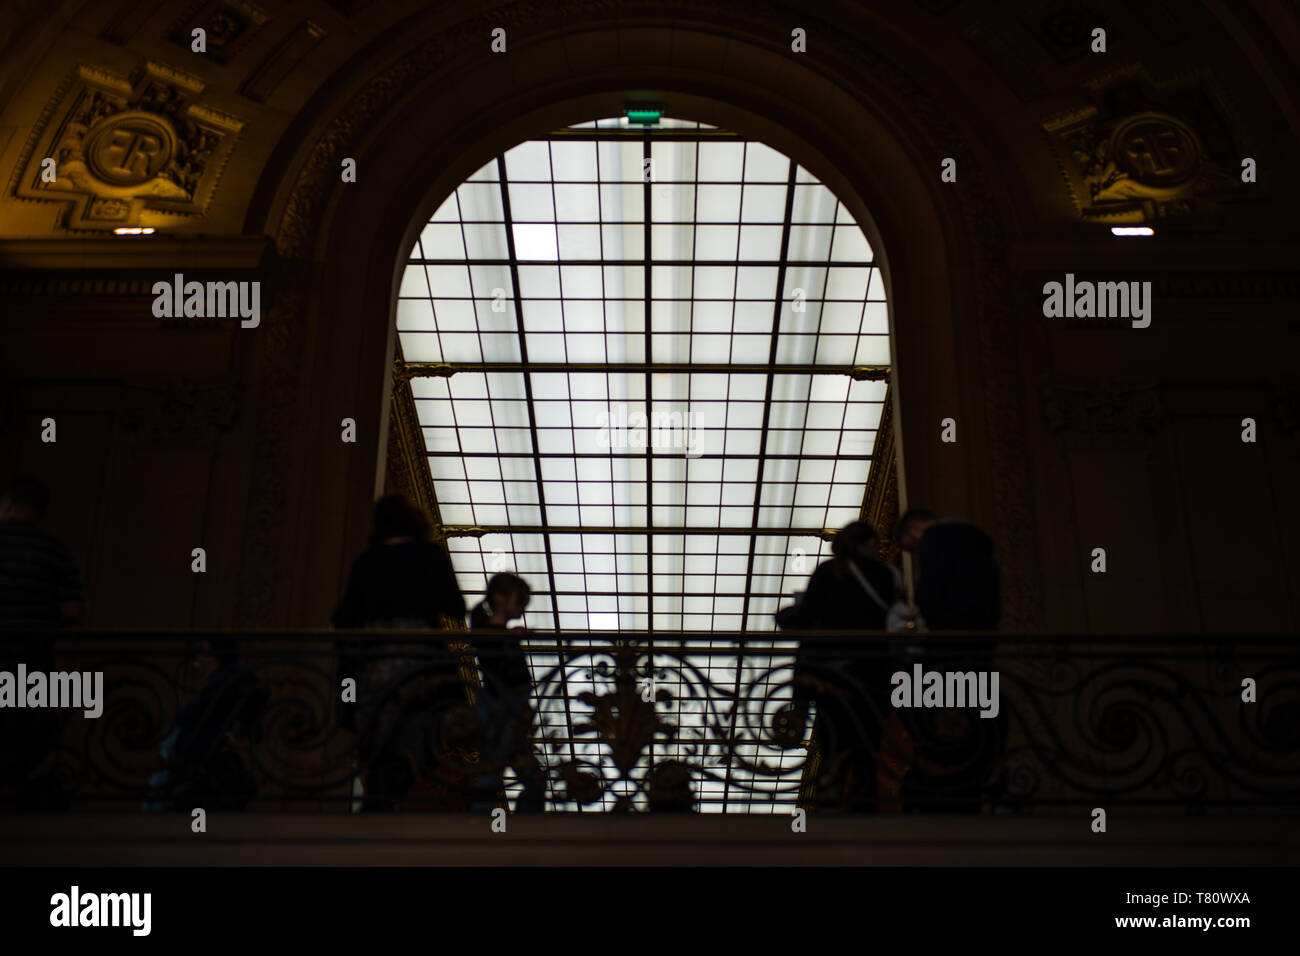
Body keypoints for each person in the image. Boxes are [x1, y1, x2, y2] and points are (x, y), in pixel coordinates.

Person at [331, 494, 468, 811]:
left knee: (379, 733)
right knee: (413, 732)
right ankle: (393, 792)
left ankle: (377, 798)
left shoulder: (367, 560)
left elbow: (344, 619)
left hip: (373, 664)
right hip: (419, 663)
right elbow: (456, 608)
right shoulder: (429, 555)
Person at [775, 521, 905, 812]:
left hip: (831, 677)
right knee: (867, 749)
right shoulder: (886, 575)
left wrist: (785, 615)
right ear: (871, 543)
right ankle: (865, 808)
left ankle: (828, 804)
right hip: (873, 677)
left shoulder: (830, 572)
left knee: (832, 743)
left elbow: (805, 618)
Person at [895, 508, 1005, 812]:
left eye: (912, 548)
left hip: (948, 644)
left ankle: (940, 760)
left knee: (921, 699)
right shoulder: (977, 545)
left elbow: (932, 589)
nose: (916, 553)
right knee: (975, 716)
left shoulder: (936, 538)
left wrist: (920, 622)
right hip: (980, 645)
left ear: (914, 530)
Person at [0, 477, 84, 809]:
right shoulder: (55, 549)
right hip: (30, 653)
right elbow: (74, 611)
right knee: (21, 721)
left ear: (7, 504)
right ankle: (10, 789)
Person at [468, 573, 545, 813]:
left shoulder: (490, 632)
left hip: (507, 712)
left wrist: (511, 636)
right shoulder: (491, 635)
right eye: (520, 600)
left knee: (501, 773)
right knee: (494, 773)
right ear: (500, 598)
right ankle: (482, 824)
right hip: (503, 712)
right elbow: (502, 671)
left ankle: (483, 824)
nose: (523, 606)